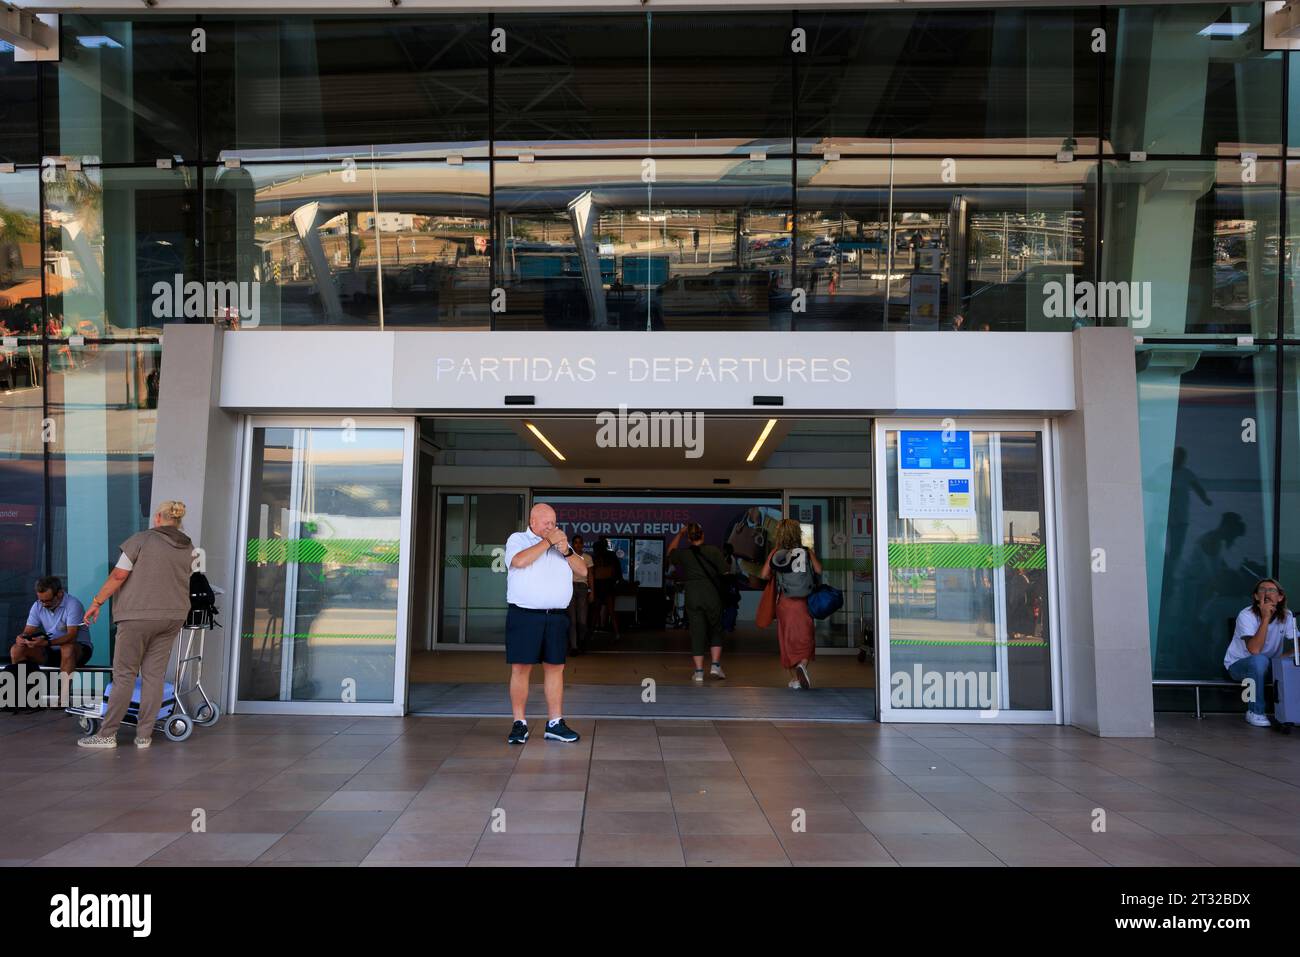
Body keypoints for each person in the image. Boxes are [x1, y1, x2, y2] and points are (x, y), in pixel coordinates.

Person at [79, 500, 194, 749]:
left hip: (137, 616)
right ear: (178, 520)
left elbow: (119, 575)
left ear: (157, 518)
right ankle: (144, 736)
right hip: (172, 616)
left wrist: (97, 601)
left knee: (124, 675)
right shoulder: (188, 545)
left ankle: (107, 734)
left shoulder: (141, 540)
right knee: (154, 676)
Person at [503, 503, 588, 745]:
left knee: (555, 667)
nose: (551, 527)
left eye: (553, 522)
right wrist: (548, 542)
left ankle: (555, 723)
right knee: (521, 668)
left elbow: (582, 571)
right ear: (532, 522)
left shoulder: (562, 544)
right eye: (546, 523)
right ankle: (519, 723)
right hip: (525, 615)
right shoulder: (518, 539)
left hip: (557, 617)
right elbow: (518, 562)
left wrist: (567, 551)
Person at [1224, 578, 1297, 727]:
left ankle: (1294, 712)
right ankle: (1255, 712)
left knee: (1292, 661)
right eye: (1262, 590)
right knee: (1259, 660)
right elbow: (1254, 650)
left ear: (1280, 597)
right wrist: (1265, 618)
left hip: (1269, 666)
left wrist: (1282, 658)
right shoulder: (1246, 615)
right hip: (1239, 666)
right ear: (1256, 597)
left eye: (1272, 590)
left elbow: (1297, 643)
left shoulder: (1287, 615)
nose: (1267, 593)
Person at [9, 576, 90, 708]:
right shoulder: (38, 605)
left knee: (67, 647)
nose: (44, 604)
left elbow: (71, 636)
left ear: (60, 594)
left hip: (78, 650)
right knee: (17, 649)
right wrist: (22, 638)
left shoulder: (73, 605)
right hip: (50, 649)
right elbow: (28, 631)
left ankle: (62, 698)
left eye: (48, 600)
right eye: (41, 600)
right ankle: (21, 696)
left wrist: (46, 643)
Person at [761, 518, 822, 690]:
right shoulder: (805, 551)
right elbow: (818, 570)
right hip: (804, 602)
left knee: (787, 639)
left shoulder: (776, 553)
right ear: (797, 533)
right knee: (806, 638)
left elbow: (764, 574)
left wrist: (777, 573)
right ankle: (802, 665)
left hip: (785, 602)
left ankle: (796, 678)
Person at [667, 522, 727, 683]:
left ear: (688, 539)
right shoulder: (714, 551)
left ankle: (699, 672)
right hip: (711, 594)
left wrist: (679, 534)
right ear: (703, 535)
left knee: (697, 632)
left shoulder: (684, 554)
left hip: (693, 595)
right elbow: (725, 571)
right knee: (715, 628)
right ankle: (715, 665)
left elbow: (670, 552)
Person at [590, 536, 623, 640]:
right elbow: (617, 572)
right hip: (608, 586)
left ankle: (591, 633)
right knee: (611, 612)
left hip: (600, 586)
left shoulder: (595, 557)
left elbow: (592, 573)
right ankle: (617, 633)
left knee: (596, 611)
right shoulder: (611, 556)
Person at [566, 534, 594, 655]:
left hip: (583, 588)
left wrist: (592, 591)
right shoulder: (568, 557)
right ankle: (574, 646)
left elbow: (590, 576)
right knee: (571, 619)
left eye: (580, 542)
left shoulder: (587, 558)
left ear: (583, 544)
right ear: (572, 544)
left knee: (582, 619)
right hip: (570, 587)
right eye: (575, 542)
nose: (577, 545)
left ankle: (582, 641)